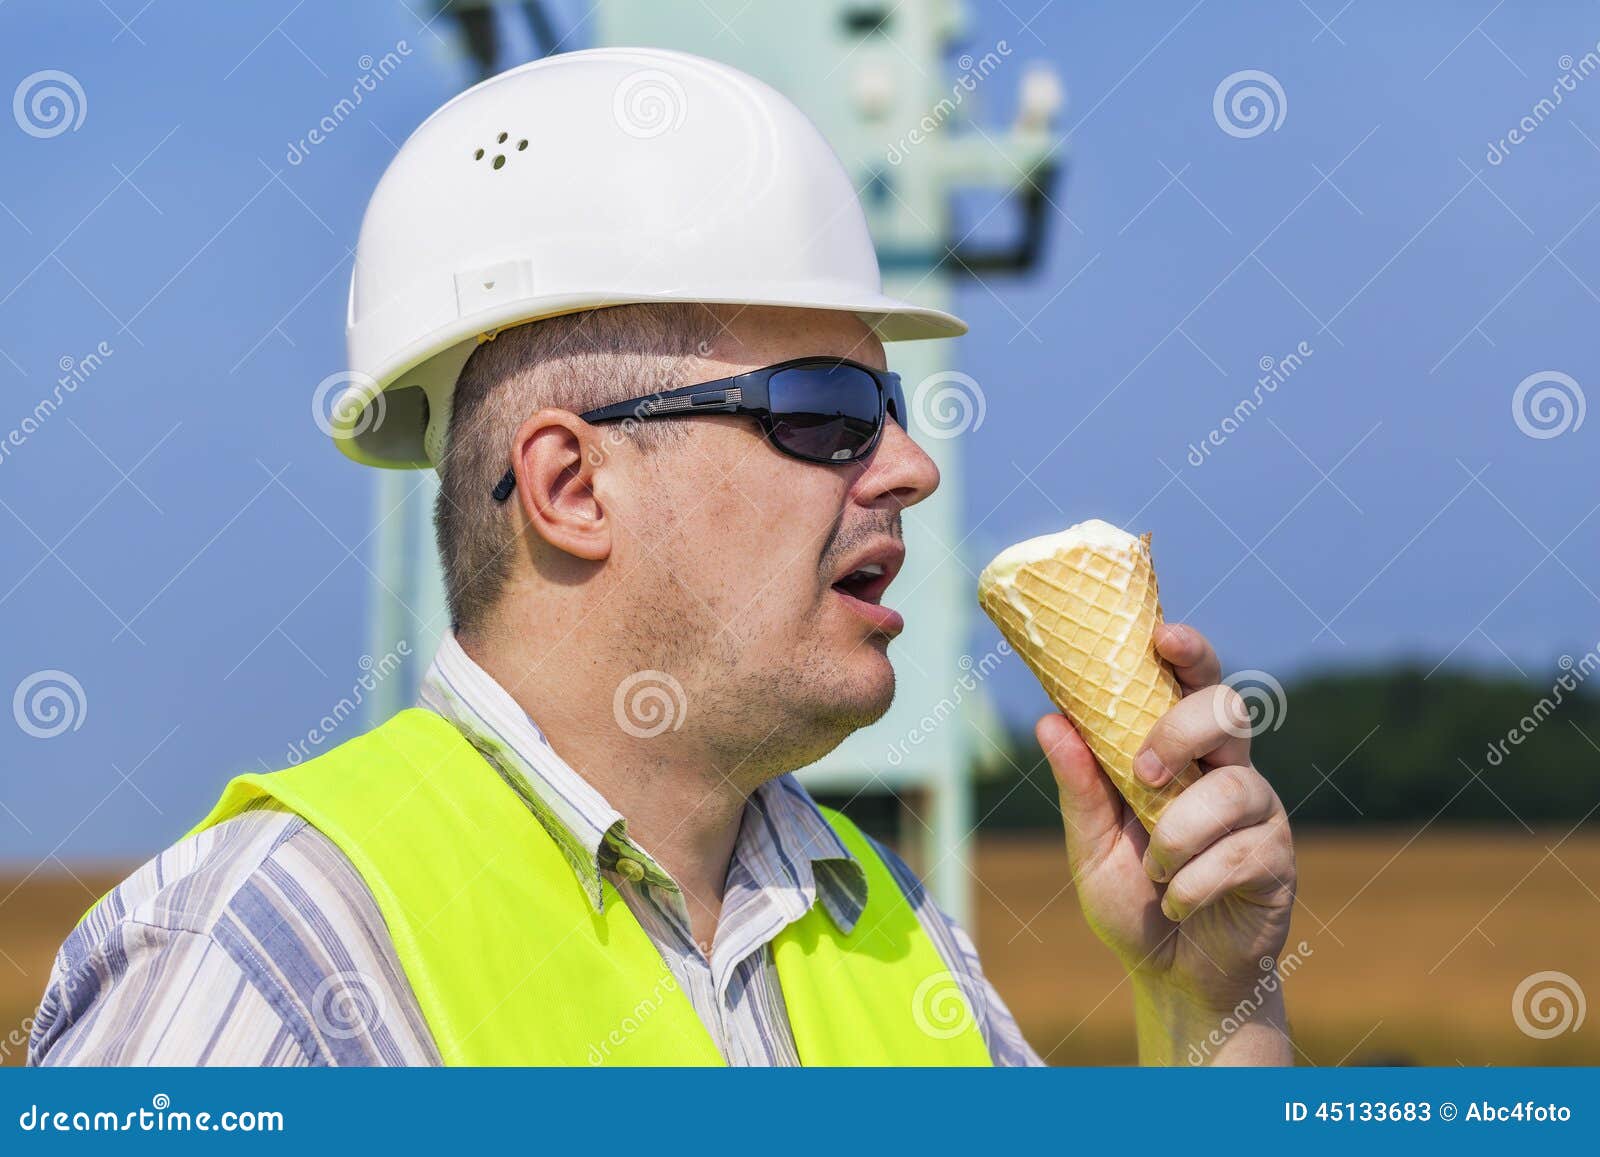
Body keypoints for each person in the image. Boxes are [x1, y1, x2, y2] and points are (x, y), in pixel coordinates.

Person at [29, 48, 1295, 1067]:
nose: (910, 465)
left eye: (893, 405)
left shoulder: (889, 929)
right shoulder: (262, 951)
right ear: (573, 486)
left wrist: (1209, 1006)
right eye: (824, 410)